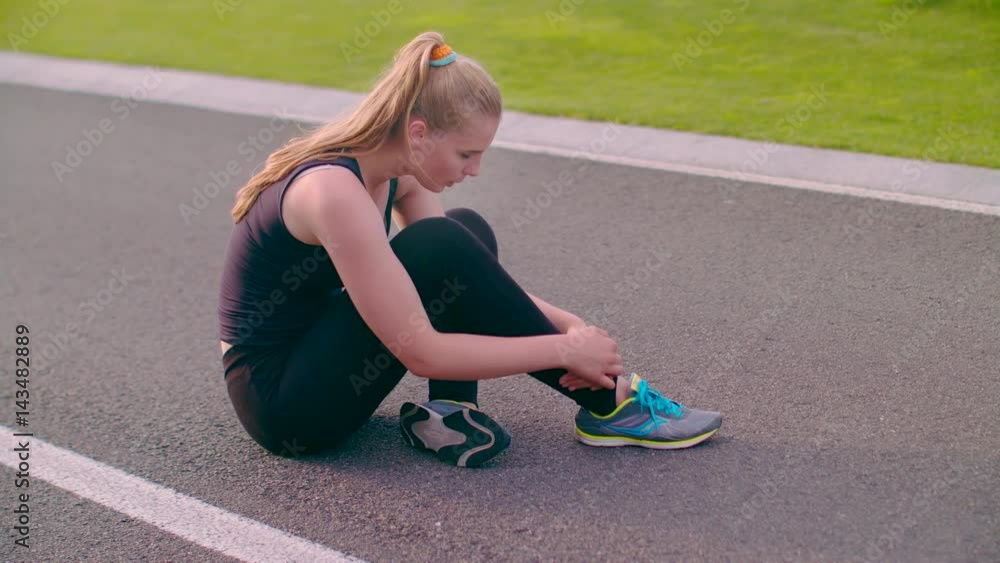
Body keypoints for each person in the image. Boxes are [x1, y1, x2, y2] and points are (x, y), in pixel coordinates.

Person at [218, 31, 722, 468]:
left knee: (464, 230)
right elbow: (421, 351)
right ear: (418, 134)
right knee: (443, 240)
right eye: (466, 154)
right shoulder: (333, 191)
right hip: (285, 405)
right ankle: (612, 404)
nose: (473, 170)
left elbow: (464, 282)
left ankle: (448, 415)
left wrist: (568, 322)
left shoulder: (398, 172)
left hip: (322, 356)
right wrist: (562, 350)